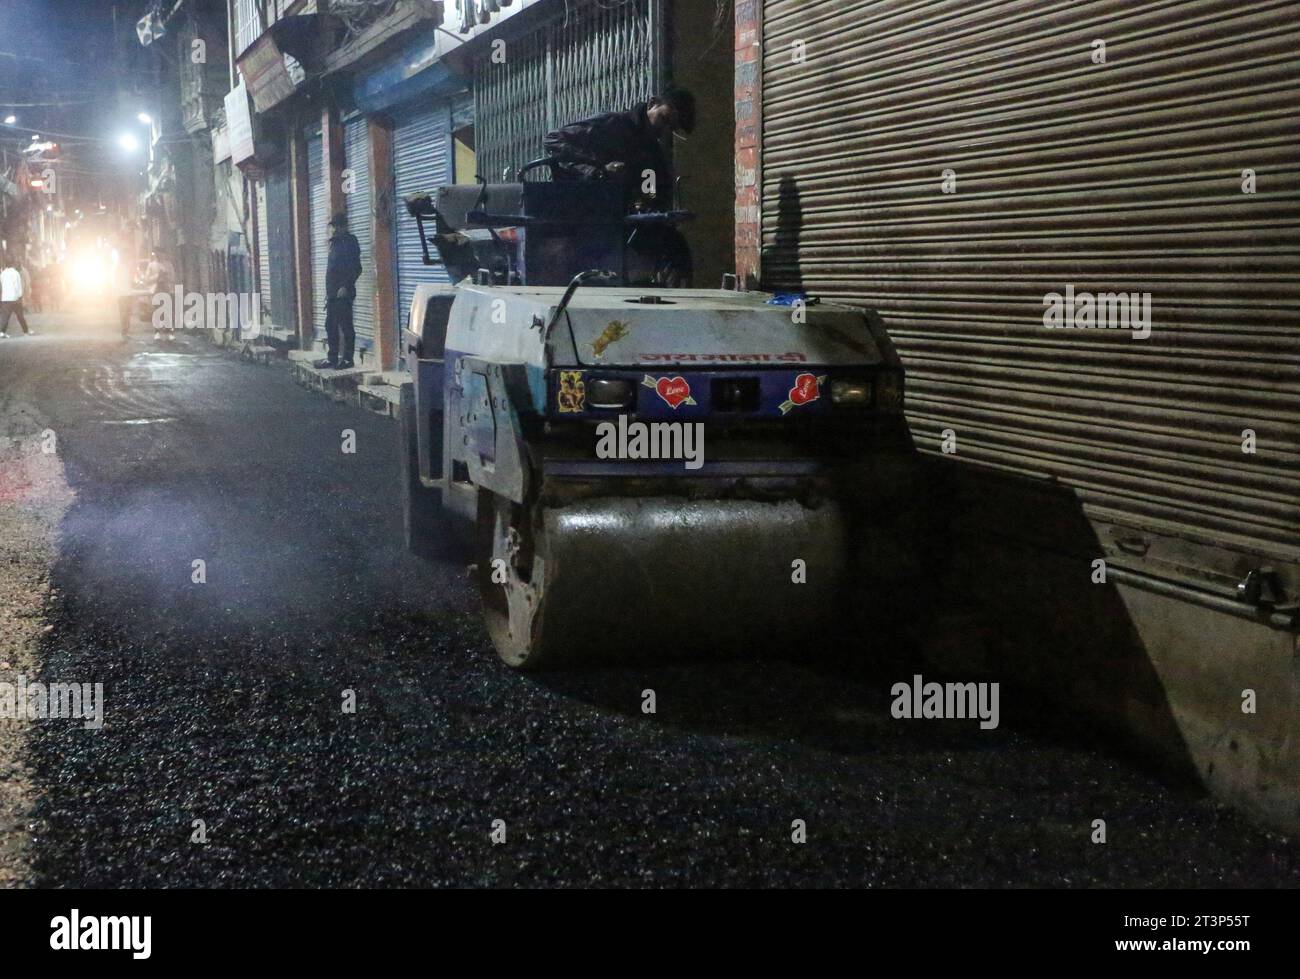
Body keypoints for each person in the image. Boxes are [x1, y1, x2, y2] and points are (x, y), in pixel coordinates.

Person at [543, 86, 696, 286]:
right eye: (664, 120)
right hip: (583, 211)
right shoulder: (613, 124)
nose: (664, 130)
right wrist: (598, 169)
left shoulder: (652, 152)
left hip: (622, 219)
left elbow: (651, 184)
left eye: (671, 128)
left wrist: (647, 202)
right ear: (652, 104)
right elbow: (554, 140)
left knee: (674, 245)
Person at [317, 212, 361, 370]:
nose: (334, 229)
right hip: (332, 294)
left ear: (344, 226)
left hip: (343, 293)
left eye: (337, 226)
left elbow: (356, 268)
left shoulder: (350, 242)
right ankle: (332, 358)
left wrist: (345, 286)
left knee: (346, 325)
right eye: (333, 226)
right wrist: (329, 292)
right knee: (330, 325)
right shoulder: (334, 243)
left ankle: (348, 359)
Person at [145, 249, 175, 341]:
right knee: (156, 311)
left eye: (161, 254)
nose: (159, 256)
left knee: (167, 311)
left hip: (166, 289)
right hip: (156, 290)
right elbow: (147, 279)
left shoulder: (168, 265)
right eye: (157, 254)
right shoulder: (151, 265)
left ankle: (169, 331)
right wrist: (157, 276)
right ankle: (157, 331)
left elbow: (173, 277)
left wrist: (166, 276)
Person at [0, 256, 33, 337]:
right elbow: (18, 286)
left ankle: (2, 332)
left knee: (5, 316)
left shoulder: (2, 274)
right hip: (15, 298)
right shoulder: (16, 273)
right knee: (20, 316)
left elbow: (1, 285)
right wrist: (20, 296)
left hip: (5, 298)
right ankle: (26, 331)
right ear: (13, 264)